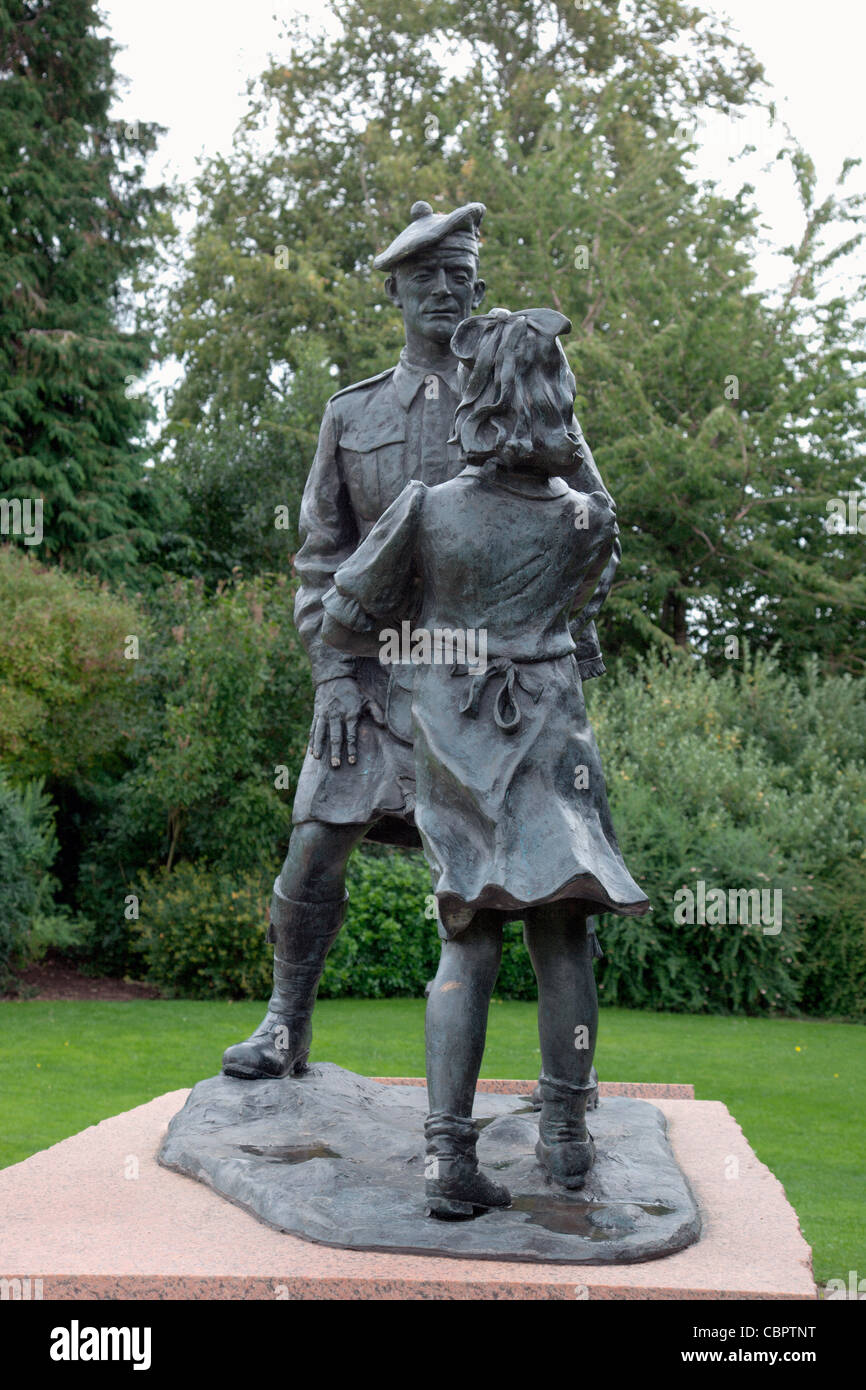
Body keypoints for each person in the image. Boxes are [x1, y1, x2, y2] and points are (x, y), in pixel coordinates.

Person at [222, 202, 619, 1083]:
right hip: (375, 685)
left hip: (495, 700)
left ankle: (558, 1112)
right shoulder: (351, 416)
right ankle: (286, 1023)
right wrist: (334, 676)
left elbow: (595, 523)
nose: (445, 290)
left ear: (479, 292)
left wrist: (554, 637)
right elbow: (320, 562)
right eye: (425, 277)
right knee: (315, 845)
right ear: (395, 291)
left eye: (460, 277)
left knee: (541, 901)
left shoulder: (521, 390)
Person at [321, 308, 650, 1216]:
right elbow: (594, 558)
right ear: (558, 402)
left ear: (476, 398)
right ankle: (567, 1132)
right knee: (565, 932)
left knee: (467, 939)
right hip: (553, 740)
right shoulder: (586, 518)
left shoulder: (430, 511)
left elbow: (347, 613)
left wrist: (421, 655)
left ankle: (446, 1158)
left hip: (459, 736)